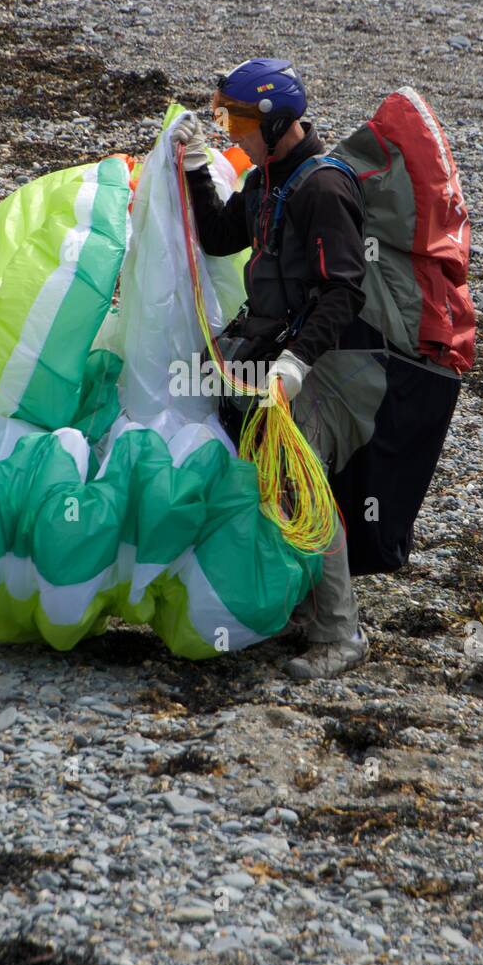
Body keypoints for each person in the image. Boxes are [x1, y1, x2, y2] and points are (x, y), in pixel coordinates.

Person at [170, 59, 369, 681]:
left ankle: (340, 632)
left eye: (238, 122)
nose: (231, 132)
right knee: (231, 443)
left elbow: (345, 291)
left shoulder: (323, 189)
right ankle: (289, 602)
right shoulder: (264, 180)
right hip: (274, 351)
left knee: (295, 465)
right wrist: (200, 166)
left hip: (335, 367)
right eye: (222, 120)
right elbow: (220, 236)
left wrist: (294, 364)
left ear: (278, 121)